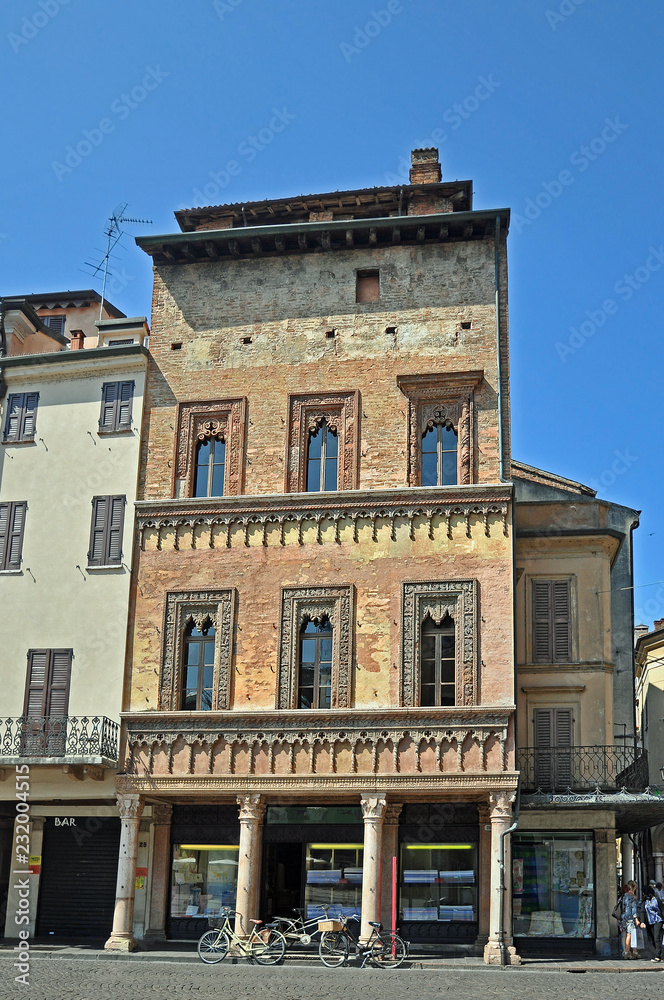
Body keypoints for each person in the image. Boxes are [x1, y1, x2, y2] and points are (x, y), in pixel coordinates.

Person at [621, 881, 646, 959]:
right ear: (634, 887)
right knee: (630, 935)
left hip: (625, 917)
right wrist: (636, 919)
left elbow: (623, 907)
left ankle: (635, 952)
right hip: (631, 918)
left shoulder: (625, 895)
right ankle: (627, 952)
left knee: (631, 934)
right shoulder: (632, 896)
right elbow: (634, 909)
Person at [643, 885, 664, 963]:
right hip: (649, 922)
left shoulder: (656, 900)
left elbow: (662, 909)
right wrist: (642, 921)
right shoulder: (645, 901)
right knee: (651, 939)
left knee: (656, 938)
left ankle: (658, 956)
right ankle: (659, 952)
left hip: (657, 920)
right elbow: (643, 911)